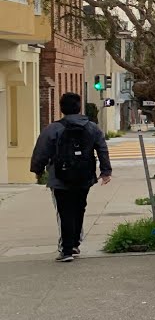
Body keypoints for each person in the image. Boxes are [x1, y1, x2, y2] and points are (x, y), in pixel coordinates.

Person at [30, 92, 112, 262]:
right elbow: (102, 149)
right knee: (79, 208)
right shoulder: (92, 127)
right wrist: (105, 171)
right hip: (85, 176)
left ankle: (66, 250)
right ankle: (74, 244)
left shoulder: (53, 129)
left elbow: (41, 151)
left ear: (61, 108)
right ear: (79, 107)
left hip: (60, 178)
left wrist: (37, 170)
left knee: (64, 211)